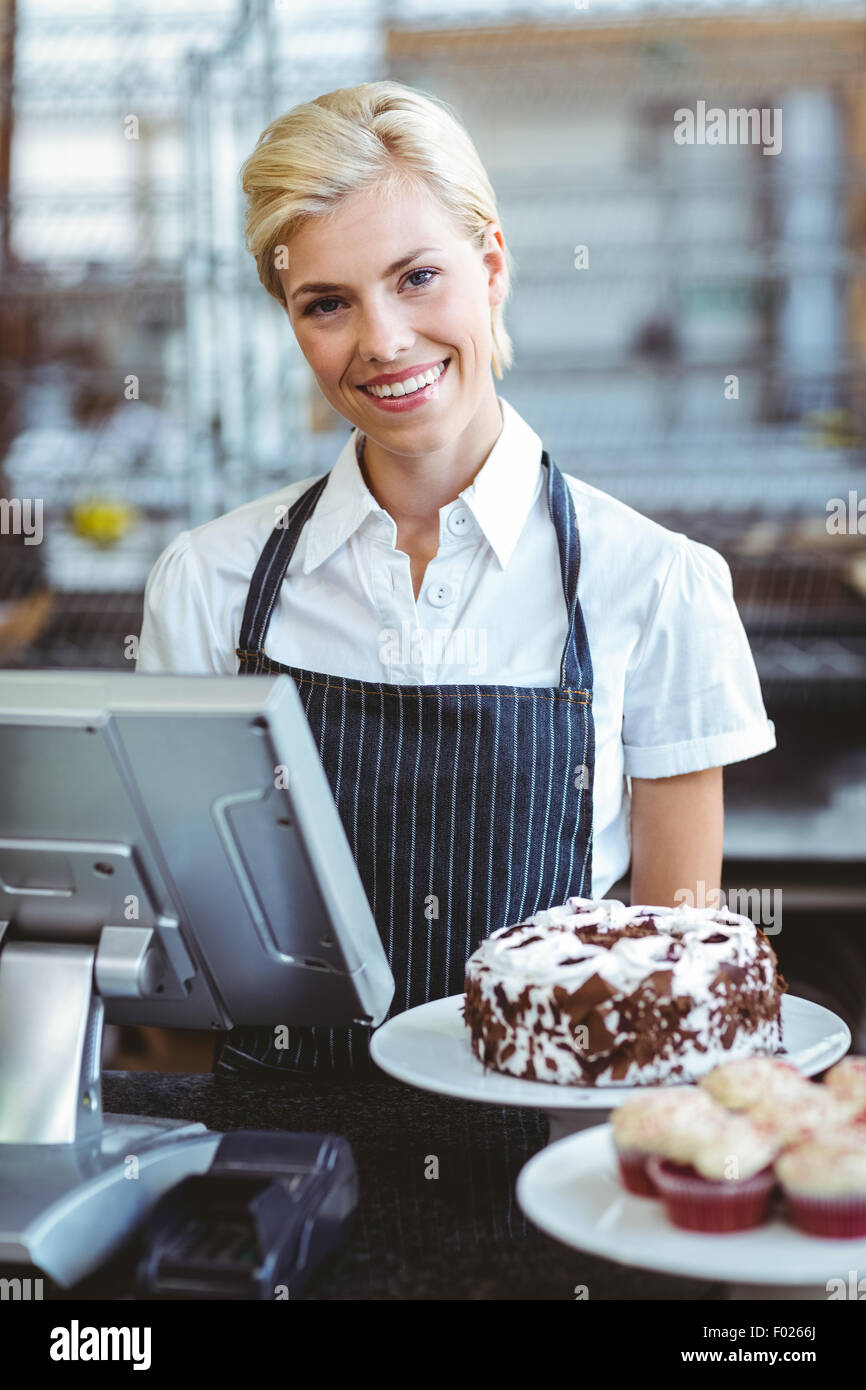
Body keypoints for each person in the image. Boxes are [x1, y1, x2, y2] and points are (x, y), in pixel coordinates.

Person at [136, 80, 776, 1077]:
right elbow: (180, 966)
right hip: (273, 1177)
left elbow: (670, 992)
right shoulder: (207, 583)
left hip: (540, 1178)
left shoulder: (656, 586)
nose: (383, 340)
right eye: (327, 303)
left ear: (491, 265)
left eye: (416, 277)